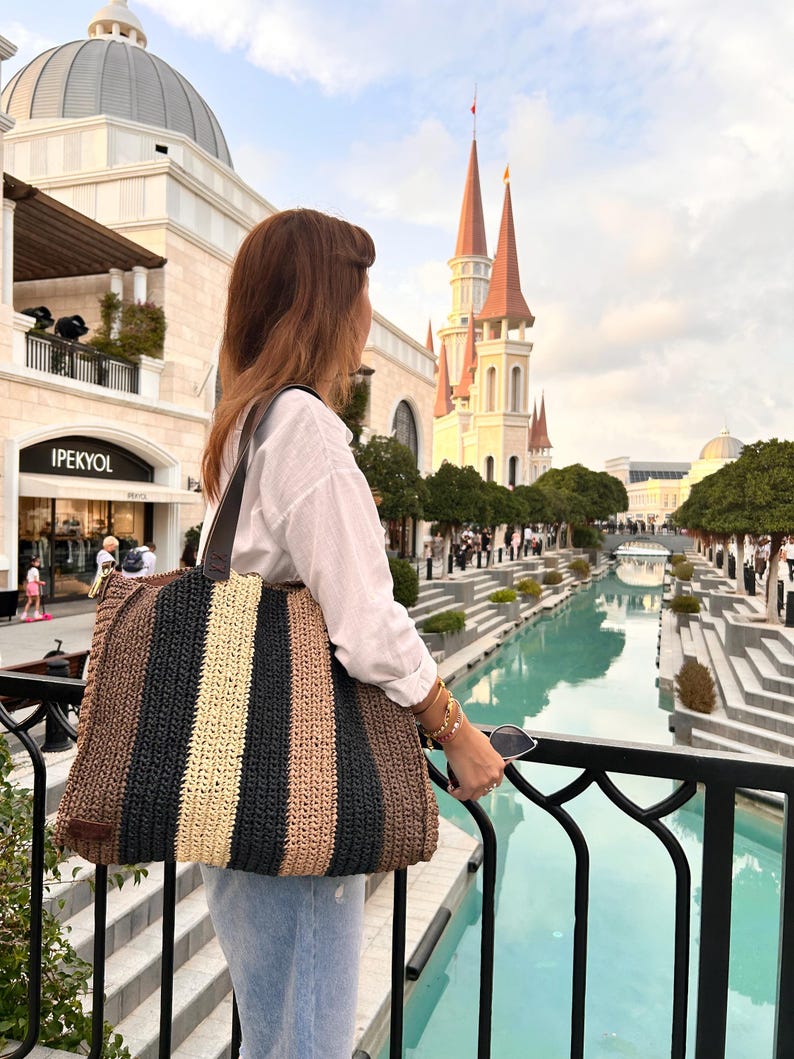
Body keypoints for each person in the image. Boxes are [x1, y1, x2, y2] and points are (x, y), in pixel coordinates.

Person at [197, 208, 505, 1058]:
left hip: (234, 762)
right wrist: (459, 733)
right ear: (330, 303)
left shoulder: (244, 421)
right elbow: (367, 621)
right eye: (361, 287)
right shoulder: (305, 427)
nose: (370, 309)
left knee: (271, 1028)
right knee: (306, 1038)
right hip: (294, 777)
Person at [21, 556, 45, 621]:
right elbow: (35, 580)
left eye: (39, 562)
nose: (38, 563)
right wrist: (41, 582)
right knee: (37, 599)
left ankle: (23, 615)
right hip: (33, 585)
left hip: (29, 585)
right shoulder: (35, 570)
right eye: (37, 562)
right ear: (32, 563)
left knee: (30, 601)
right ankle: (36, 614)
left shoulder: (29, 570)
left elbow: (27, 578)